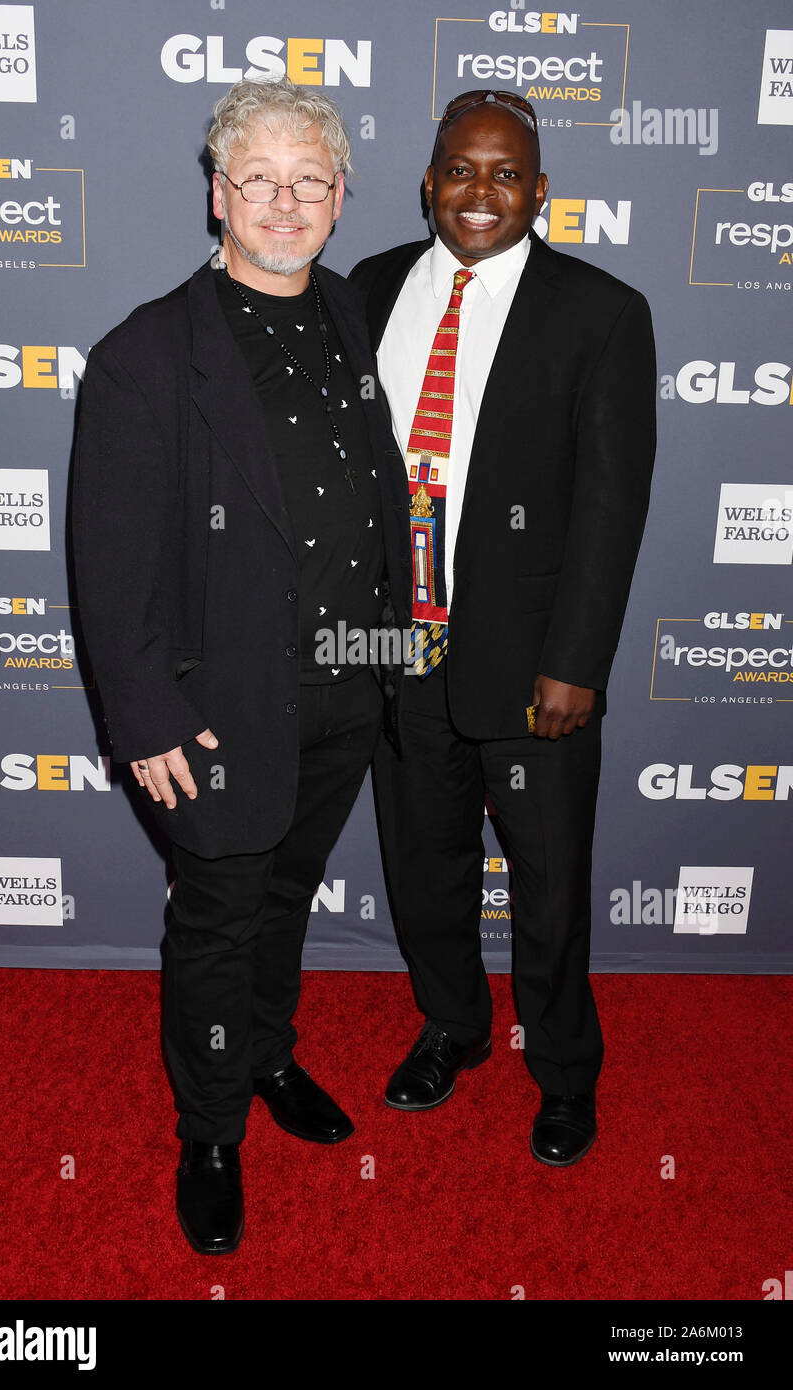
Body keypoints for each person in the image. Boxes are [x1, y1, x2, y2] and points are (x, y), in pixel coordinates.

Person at [71, 77, 411, 1254]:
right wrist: (147, 716)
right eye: (257, 178)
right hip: (213, 712)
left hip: (341, 692)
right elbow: (109, 567)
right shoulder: (145, 355)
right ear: (217, 194)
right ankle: (209, 1129)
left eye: (307, 180)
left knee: (282, 898)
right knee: (216, 920)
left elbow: (375, 505)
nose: (283, 201)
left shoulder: (351, 316)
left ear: (338, 198)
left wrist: (388, 658)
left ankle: (267, 1054)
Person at [349, 89, 656, 1166]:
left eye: (506, 173)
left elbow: (610, 508)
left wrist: (574, 663)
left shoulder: (600, 312)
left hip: (530, 668)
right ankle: (453, 1026)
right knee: (422, 866)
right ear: (428, 181)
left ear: (538, 190)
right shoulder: (371, 287)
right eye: (460, 171)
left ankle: (564, 1071)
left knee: (548, 885)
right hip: (399, 651)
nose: (481, 192)